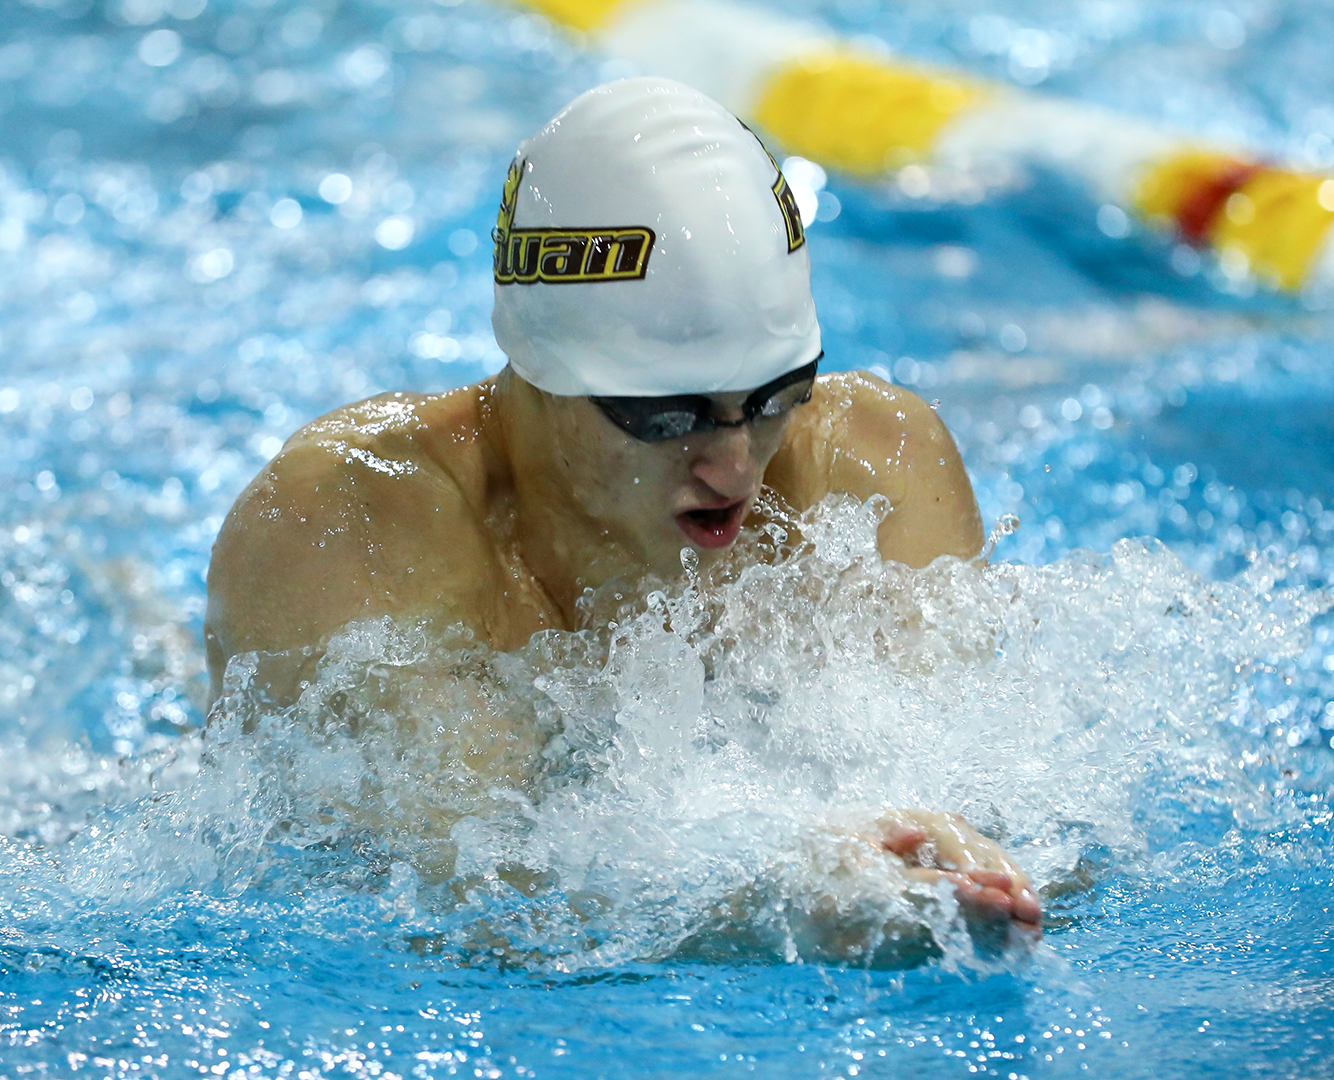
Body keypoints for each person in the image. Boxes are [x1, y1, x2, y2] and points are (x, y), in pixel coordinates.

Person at [204, 78, 1041, 945]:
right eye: (666, 417)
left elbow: (981, 789)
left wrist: (964, 859)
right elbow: (459, 910)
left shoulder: (867, 462)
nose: (734, 467)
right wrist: (770, 914)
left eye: (774, 396)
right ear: (542, 365)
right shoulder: (351, 526)